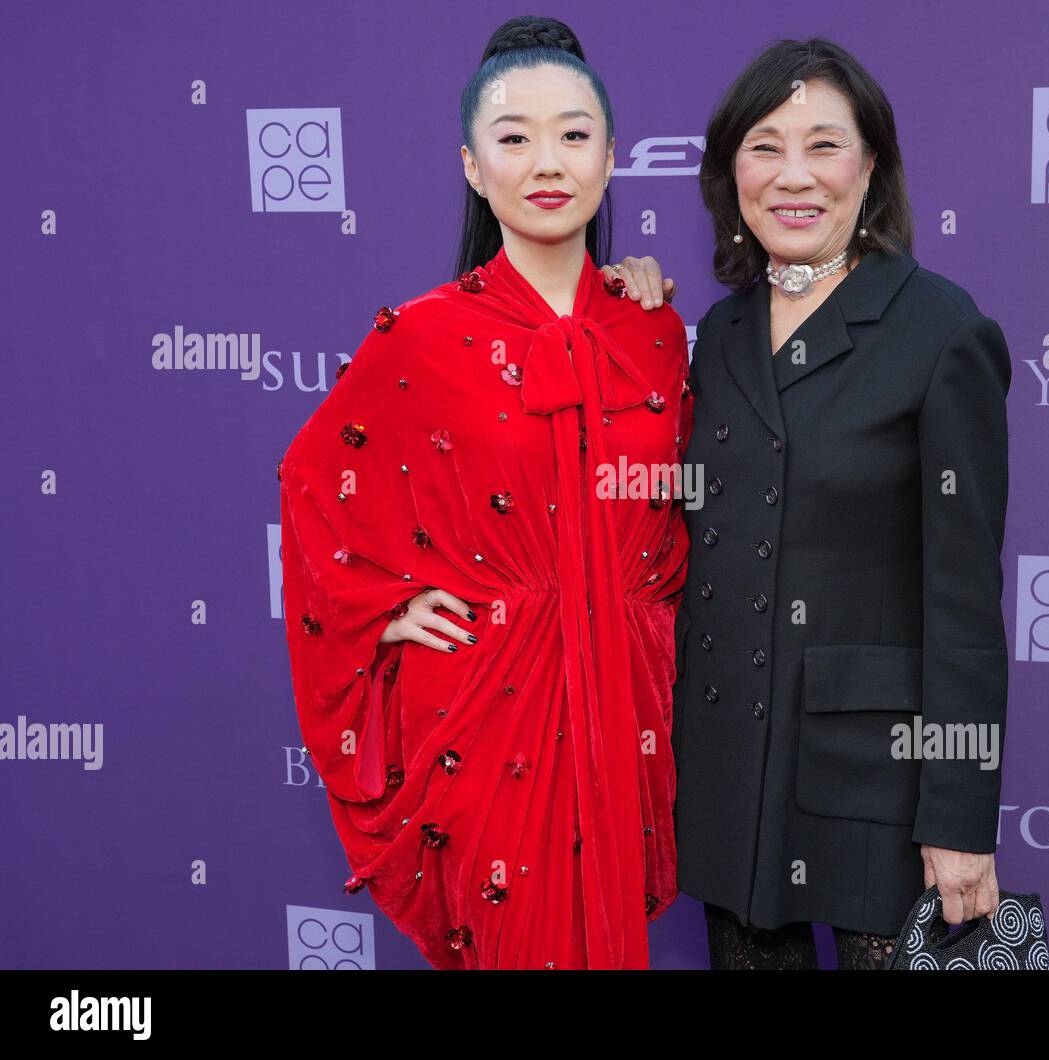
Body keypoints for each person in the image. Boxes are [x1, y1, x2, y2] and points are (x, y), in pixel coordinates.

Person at [277, 16, 693, 970]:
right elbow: (314, 482)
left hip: (626, 711)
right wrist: (380, 611)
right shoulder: (421, 338)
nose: (547, 160)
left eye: (574, 135)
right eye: (514, 138)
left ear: (611, 157)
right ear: (473, 166)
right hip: (487, 717)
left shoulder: (657, 332)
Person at [663, 37, 1013, 969]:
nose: (792, 175)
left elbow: (967, 604)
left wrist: (960, 817)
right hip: (730, 765)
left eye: (824, 145)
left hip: (875, 784)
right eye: (765, 145)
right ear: (729, 168)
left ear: (871, 167)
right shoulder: (719, 330)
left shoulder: (941, 330)